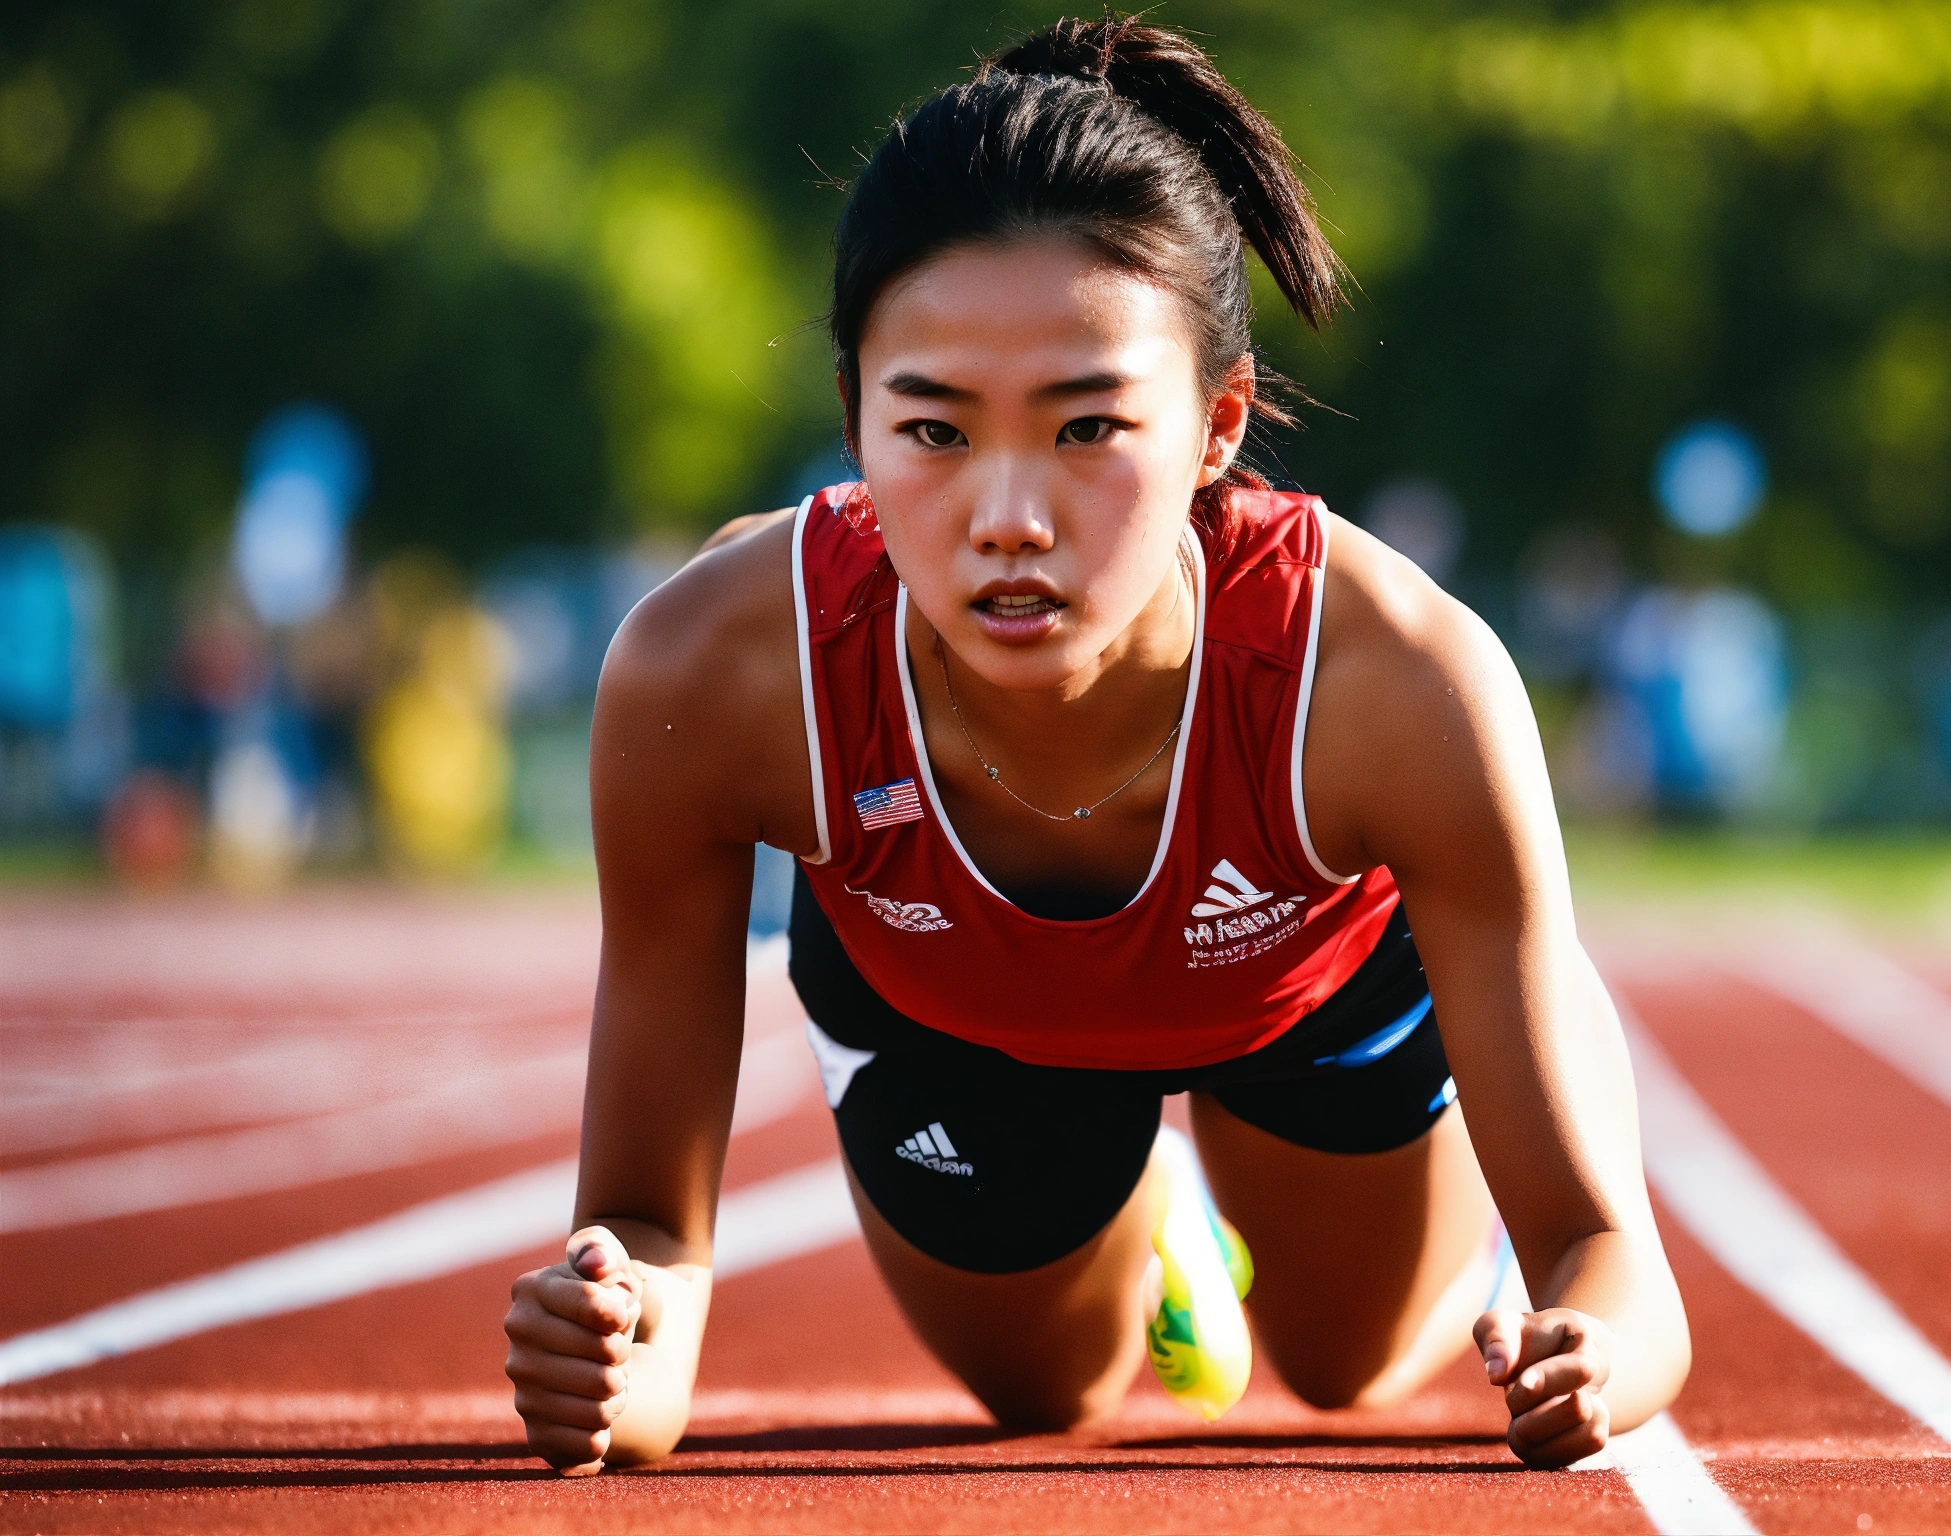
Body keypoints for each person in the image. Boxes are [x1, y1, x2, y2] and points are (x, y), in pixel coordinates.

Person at [501, 16, 1689, 1474]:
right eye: (933, 431)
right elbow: (647, 1237)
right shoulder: (712, 677)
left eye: (1086, 429)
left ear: (1216, 426)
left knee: (1349, 1367)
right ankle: (1144, 1219)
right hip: (948, 1007)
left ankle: (1520, 978)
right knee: (1047, 1399)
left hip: (1306, 990)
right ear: (853, 422)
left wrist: (1602, 1348)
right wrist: (614, 1352)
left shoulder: (1396, 680)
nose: (1009, 515)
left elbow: (1606, 1262)